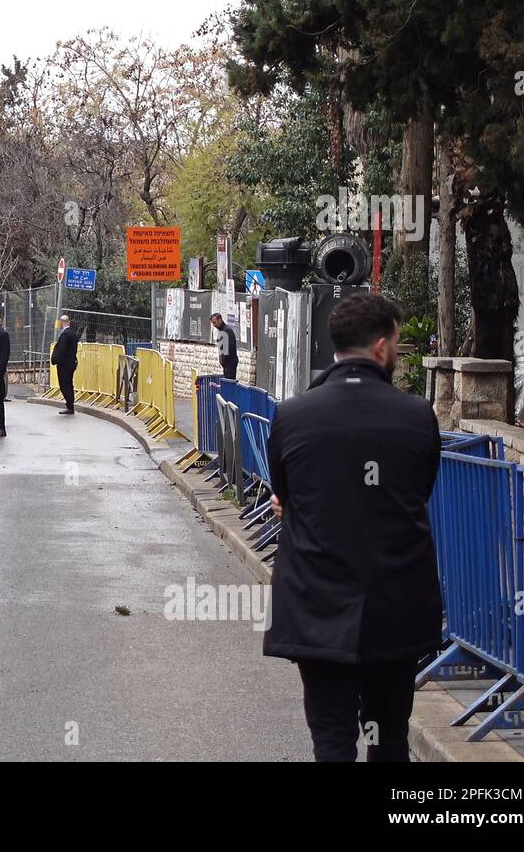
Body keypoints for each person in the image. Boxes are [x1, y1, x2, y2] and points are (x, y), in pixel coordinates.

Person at [264, 293, 442, 763]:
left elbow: (286, 495)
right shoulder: (417, 416)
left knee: (332, 740)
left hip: (317, 604)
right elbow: (417, 493)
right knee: (389, 738)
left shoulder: (293, 415)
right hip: (395, 604)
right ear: (382, 347)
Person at [51, 314, 79, 415]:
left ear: (61, 322)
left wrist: (56, 359)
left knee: (64, 385)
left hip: (64, 365)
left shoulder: (65, 335)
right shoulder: (73, 333)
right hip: (72, 362)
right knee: (69, 384)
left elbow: (62, 350)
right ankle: (70, 405)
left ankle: (69, 406)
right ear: (69, 322)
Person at [210, 313, 238, 379]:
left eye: (214, 322)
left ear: (220, 320)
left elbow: (229, 349)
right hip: (227, 363)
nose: (214, 325)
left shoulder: (227, 330)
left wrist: (224, 361)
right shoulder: (222, 331)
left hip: (230, 363)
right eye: (212, 323)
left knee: (229, 382)